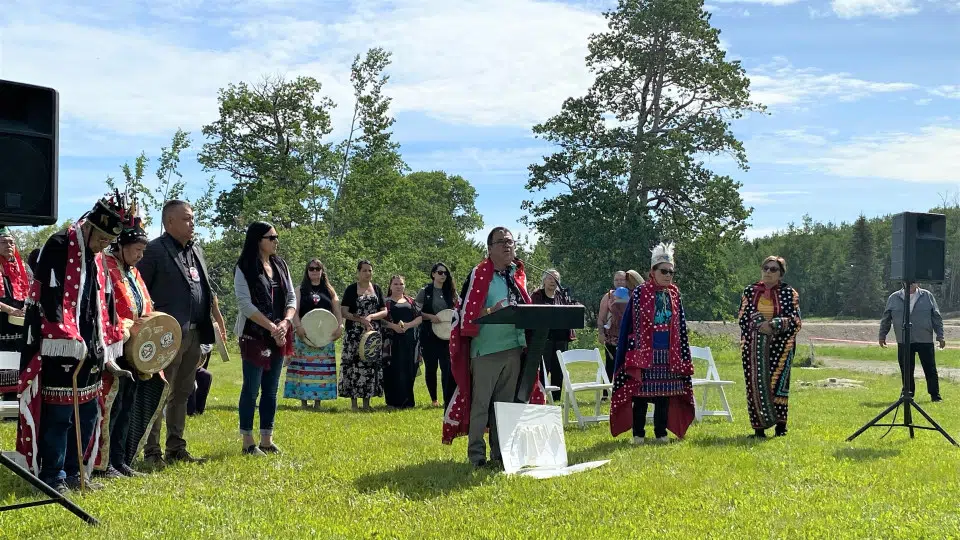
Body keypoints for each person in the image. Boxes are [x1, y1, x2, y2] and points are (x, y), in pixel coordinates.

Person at [17, 194, 127, 493]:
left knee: (89, 412)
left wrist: (109, 337)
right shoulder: (58, 245)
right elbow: (46, 297)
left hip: (91, 343)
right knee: (60, 414)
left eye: (108, 240)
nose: (103, 245)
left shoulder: (98, 257)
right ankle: (54, 475)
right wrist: (65, 334)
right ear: (90, 227)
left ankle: (78, 472)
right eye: (101, 237)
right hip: (59, 344)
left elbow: (102, 302)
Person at [442, 226, 547, 468]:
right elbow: (466, 315)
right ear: (489, 249)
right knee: (481, 404)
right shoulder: (479, 275)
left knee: (504, 406)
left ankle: (500, 454)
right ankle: (476, 456)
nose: (507, 245)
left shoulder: (516, 276)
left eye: (510, 241)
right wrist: (492, 311)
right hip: (486, 351)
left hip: (514, 349)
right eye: (501, 242)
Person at [138, 199, 220, 467]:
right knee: (160, 393)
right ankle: (152, 451)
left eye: (193, 218)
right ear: (169, 222)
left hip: (195, 334)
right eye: (186, 219)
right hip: (166, 335)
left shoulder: (195, 249)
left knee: (183, 393)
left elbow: (204, 289)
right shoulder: (154, 251)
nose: (192, 223)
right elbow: (140, 292)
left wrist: (214, 322)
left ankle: (176, 447)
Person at [610, 242, 695, 444]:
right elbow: (630, 322)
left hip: (669, 352)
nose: (668, 275)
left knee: (664, 395)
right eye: (664, 271)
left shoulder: (674, 293)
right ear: (653, 271)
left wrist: (683, 352)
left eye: (671, 272)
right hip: (644, 351)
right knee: (640, 394)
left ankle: (661, 433)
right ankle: (638, 433)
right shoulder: (640, 292)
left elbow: (680, 323)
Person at [94, 210, 155, 479]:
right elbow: (102, 307)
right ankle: (103, 464)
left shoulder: (134, 273)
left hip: (134, 350)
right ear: (120, 245)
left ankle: (120, 460)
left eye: (143, 250)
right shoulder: (104, 267)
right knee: (112, 407)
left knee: (127, 405)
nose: (140, 255)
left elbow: (146, 307)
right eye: (137, 249)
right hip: (111, 348)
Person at [233, 222, 296, 456]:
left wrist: (285, 323)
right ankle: (248, 441)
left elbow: (291, 296)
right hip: (254, 334)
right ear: (259, 240)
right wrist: (271, 326)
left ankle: (267, 439)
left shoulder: (280, 265)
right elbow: (244, 304)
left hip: (279, 333)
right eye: (272, 237)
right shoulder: (245, 267)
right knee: (252, 388)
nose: (276, 240)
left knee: (271, 389)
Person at [738, 256, 802, 438]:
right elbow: (743, 315)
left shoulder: (789, 293)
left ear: (780, 274)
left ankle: (780, 428)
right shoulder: (750, 291)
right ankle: (758, 429)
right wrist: (760, 324)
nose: (768, 272)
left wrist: (773, 325)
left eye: (773, 269)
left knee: (778, 386)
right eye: (766, 268)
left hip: (781, 348)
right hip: (754, 348)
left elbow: (795, 320)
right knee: (755, 386)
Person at [285, 258, 343, 408]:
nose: (315, 271)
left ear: (322, 271)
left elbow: (337, 310)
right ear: (307, 271)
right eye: (311, 269)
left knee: (321, 371)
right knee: (303, 369)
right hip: (304, 335)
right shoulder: (300, 289)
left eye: (317, 269)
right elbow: (294, 310)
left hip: (324, 336)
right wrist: (298, 327)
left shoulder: (329, 290)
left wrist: (340, 326)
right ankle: (304, 401)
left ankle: (318, 402)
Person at [880, 282, 945, 402]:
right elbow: (886, 318)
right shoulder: (894, 297)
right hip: (904, 339)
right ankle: (907, 394)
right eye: (908, 281)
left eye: (913, 282)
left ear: (918, 283)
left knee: (930, 368)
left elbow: (936, 317)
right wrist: (882, 335)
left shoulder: (927, 296)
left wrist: (940, 336)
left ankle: (935, 396)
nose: (910, 284)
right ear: (902, 282)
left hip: (924, 339)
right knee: (906, 369)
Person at [340, 260, 388, 411]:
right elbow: (344, 312)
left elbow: (385, 310)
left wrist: (371, 317)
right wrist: (360, 319)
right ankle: (354, 404)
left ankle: (367, 403)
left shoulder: (377, 289)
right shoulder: (351, 289)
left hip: (372, 334)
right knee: (353, 365)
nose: (368, 273)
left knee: (370, 365)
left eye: (370, 270)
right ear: (358, 272)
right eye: (365, 270)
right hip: (354, 333)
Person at [415, 262, 458, 408]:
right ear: (433, 274)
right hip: (428, 335)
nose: (443, 275)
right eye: (440, 272)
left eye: (445, 273)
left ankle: (447, 398)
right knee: (431, 368)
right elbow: (415, 311)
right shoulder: (425, 291)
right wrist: (430, 316)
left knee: (447, 368)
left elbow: (458, 309)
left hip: (447, 336)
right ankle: (434, 399)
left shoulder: (450, 291)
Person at [530, 269, 575, 402]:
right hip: (544, 338)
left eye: (555, 278)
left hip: (561, 338)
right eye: (550, 278)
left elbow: (571, 308)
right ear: (544, 280)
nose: (552, 281)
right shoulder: (537, 295)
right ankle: (541, 396)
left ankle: (556, 399)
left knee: (558, 370)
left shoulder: (562, 296)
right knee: (544, 370)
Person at [382, 275, 423, 409]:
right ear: (390, 286)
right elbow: (380, 320)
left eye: (401, 284)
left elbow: (419, 318)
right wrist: (393, 326)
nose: (398, 286)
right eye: (395, 284)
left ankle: (408, 402)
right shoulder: (385, 302)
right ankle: (392, 402)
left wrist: (408, 325)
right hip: (391, 342)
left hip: (409, 341)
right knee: (391, 370)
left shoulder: (410, 301)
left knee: (409, 370)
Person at [0, 227, 28, 401]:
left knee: (15, 364)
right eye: (3, 242)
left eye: (11, 242)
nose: (9, 245)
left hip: (18, 325)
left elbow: (31, 291)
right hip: (2, 322)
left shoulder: (22, 267)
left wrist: (26, 307)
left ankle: (12, 402)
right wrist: (10, 309)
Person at [597, 271, 629, 397]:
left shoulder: (632, 295)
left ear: (626, 281)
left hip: (627, 336)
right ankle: (606, 394)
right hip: (611, 337)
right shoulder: (608, 296)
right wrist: (600, 333)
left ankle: (624, 392)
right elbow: (601, 318)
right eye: (617, 280)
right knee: (610, 364)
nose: (619, 282)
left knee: (626, 365)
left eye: (622, 279)